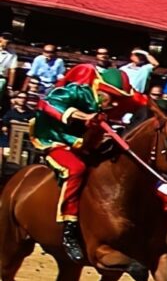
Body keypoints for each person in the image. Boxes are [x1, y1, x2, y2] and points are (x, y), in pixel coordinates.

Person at [29, 64, 148, 261]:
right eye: (113, 97)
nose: (115, 104)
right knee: (76, 169)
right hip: (56, 140)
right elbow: (48, 104)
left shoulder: (106, 104)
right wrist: (85, 117)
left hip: (84, 144)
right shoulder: (78, 92)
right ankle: (69, 227)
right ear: (101, 90)